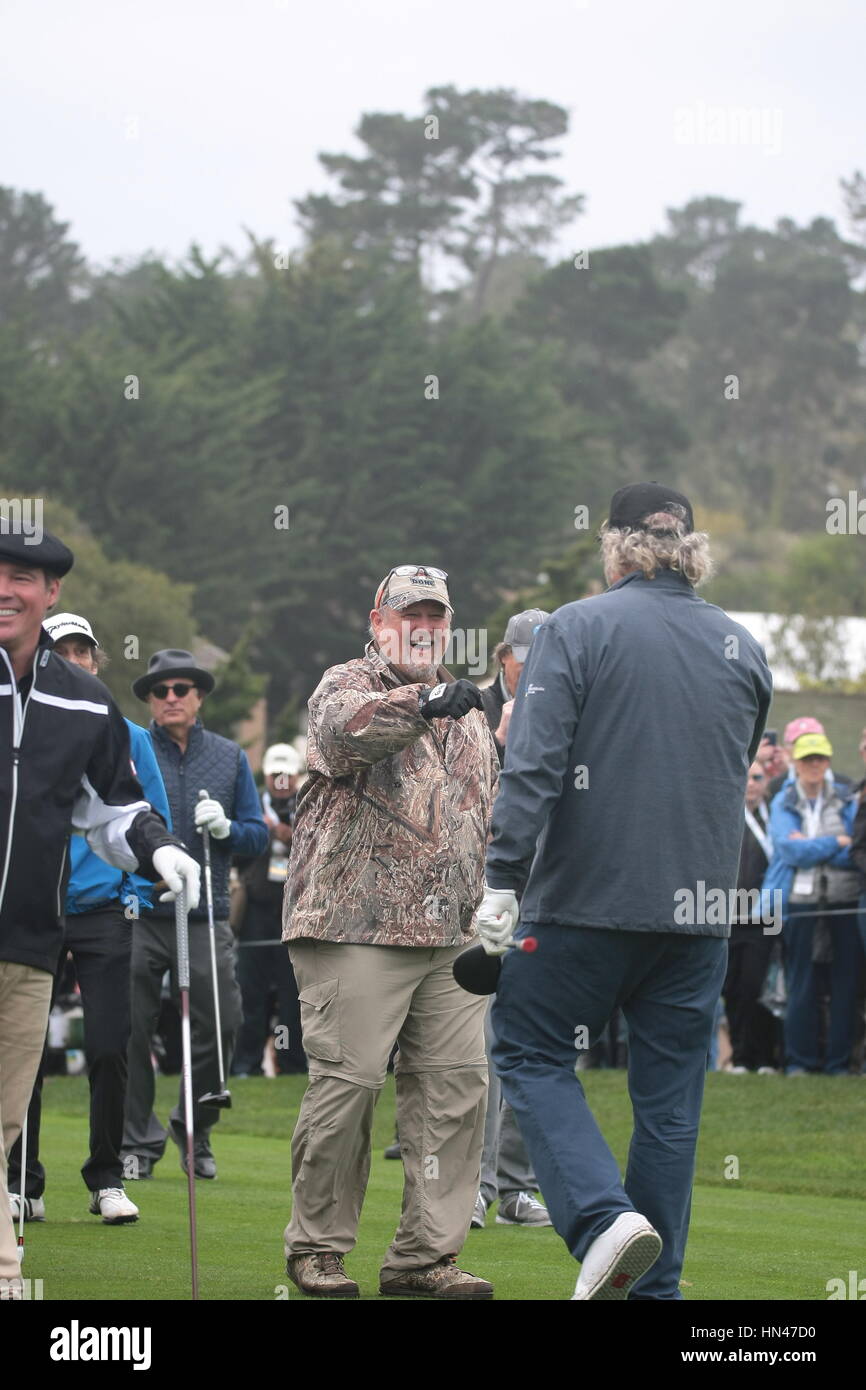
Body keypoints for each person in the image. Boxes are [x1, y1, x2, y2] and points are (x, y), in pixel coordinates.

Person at [477, 483, 772, 1300]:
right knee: (671, 1108)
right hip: (701, 919)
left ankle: (603, 1220)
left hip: (583, 904)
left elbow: (533, 768)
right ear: (689, 546)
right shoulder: (744, 646)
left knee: (530, 1051)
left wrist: (501, 880)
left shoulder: (576, 626)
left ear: (616, 545)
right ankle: (655, 1289)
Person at [282, 565, 499, 1299]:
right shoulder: (347, 683)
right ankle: (317, 1250)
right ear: (378, 621)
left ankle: (424, 1259)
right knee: (348, 1088)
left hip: (454, 937)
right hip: (353, 926)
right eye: (409, 615)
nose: (422, 628)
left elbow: (488, 814)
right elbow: (345, 740)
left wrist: (499, 908)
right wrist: (424, 700)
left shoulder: (470, 713)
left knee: (456, 1093)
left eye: (435, 616)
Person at [0, 534, 199, 1299]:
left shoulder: (83, 703)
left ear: (50, 596)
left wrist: (159, 852)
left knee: (7, 1123)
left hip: (26, 947)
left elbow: (113, 809)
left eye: (26, 578)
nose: (9, 590)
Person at [8, 613, 171, 1226]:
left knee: (109, 1044)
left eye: (84, 652)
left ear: (97, 662)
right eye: (62, 650)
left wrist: (136, 887)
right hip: (36, 909)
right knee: (27, 1049)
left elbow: (144, 816)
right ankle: (24, 1179)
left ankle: (106, 1176)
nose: (74, 661)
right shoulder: (22, 726)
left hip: (107, 910)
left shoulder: (127, 734)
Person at [121, 650, 267, 1180]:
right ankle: (136, 1140)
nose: (171, 698)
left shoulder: (228, 757)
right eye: (160, 691)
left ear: (199, 696)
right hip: (139, 911)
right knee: (132, 1029)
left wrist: (227, 826)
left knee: (222, 1023)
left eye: (181, 688)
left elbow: (258, 836)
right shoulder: (131, 751)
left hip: (206, 914)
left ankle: (195, 1128)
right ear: (150, 701)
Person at [474, 610, 552, 1229]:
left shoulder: (568, 706)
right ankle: (474, 1185)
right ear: (502, 658)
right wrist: (501, 746)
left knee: (531, 1041)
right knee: (478, 1046)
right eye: (521, 661)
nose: (529, 673)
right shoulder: (471, 709)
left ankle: (516, 1190)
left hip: (544, 895)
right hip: (479, 892)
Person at [762, 732, 863, 1075]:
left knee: (845, 984)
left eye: (820, 759)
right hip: (800, 903)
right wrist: (836, 840)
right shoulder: (784, 800)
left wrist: (812, 846)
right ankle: (799, 1062)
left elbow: (856, 853)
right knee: (800, 984)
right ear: (797, 763)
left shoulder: (848, 799)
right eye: (807, 760)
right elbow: (789, 850)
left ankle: (837, 1063)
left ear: (829, 762)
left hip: (844, 901)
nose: (814, 765)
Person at [232, 743, 307, 1077]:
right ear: (266, 774)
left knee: (292, 997)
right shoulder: (251, 806)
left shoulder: (307, 804)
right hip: (256, 914)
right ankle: (247, 1065)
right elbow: (234, 852)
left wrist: (284, 833)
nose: (281, 781)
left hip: (296, 913)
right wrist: (260, 834)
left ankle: (290, 1063)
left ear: (295, 776)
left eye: (286, 775)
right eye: (275, 774)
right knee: (252, 993)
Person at [721, 760, 780, 1073]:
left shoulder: (776, 815)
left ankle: (766, 1057)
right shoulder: (725, 812)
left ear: (766, 781)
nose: (751, 784)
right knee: (733, 987)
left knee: (759, 986)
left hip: (765, 916)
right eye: (745, 777)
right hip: (726, 913)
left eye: (757, 777)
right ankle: (741, 1057)